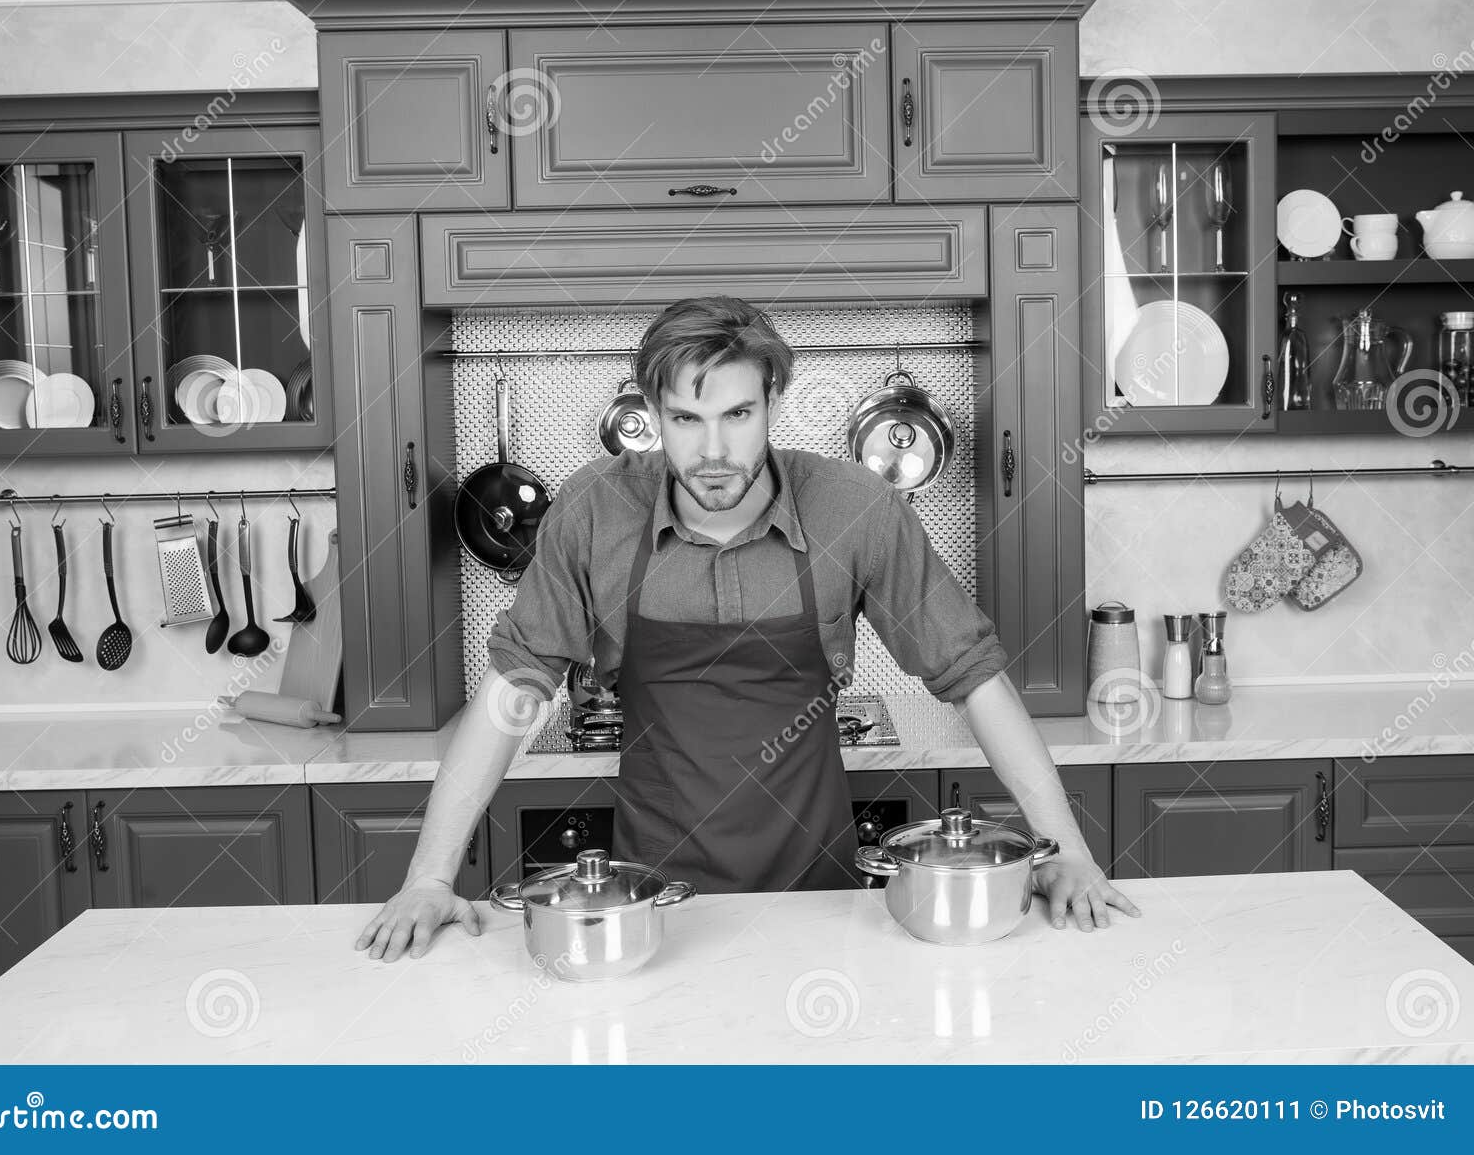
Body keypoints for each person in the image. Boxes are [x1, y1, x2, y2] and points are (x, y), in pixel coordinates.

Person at [355, 295, 1139, 962]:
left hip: (823, 900)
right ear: (652, 412)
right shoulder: (594, 511)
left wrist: (1065, 852)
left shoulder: (854, 508)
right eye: (685, 419)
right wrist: (430, 874)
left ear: (773, 400)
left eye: (738, 413)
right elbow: (512, 691)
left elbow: (974, 676)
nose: (714, 450)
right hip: (651, 906)